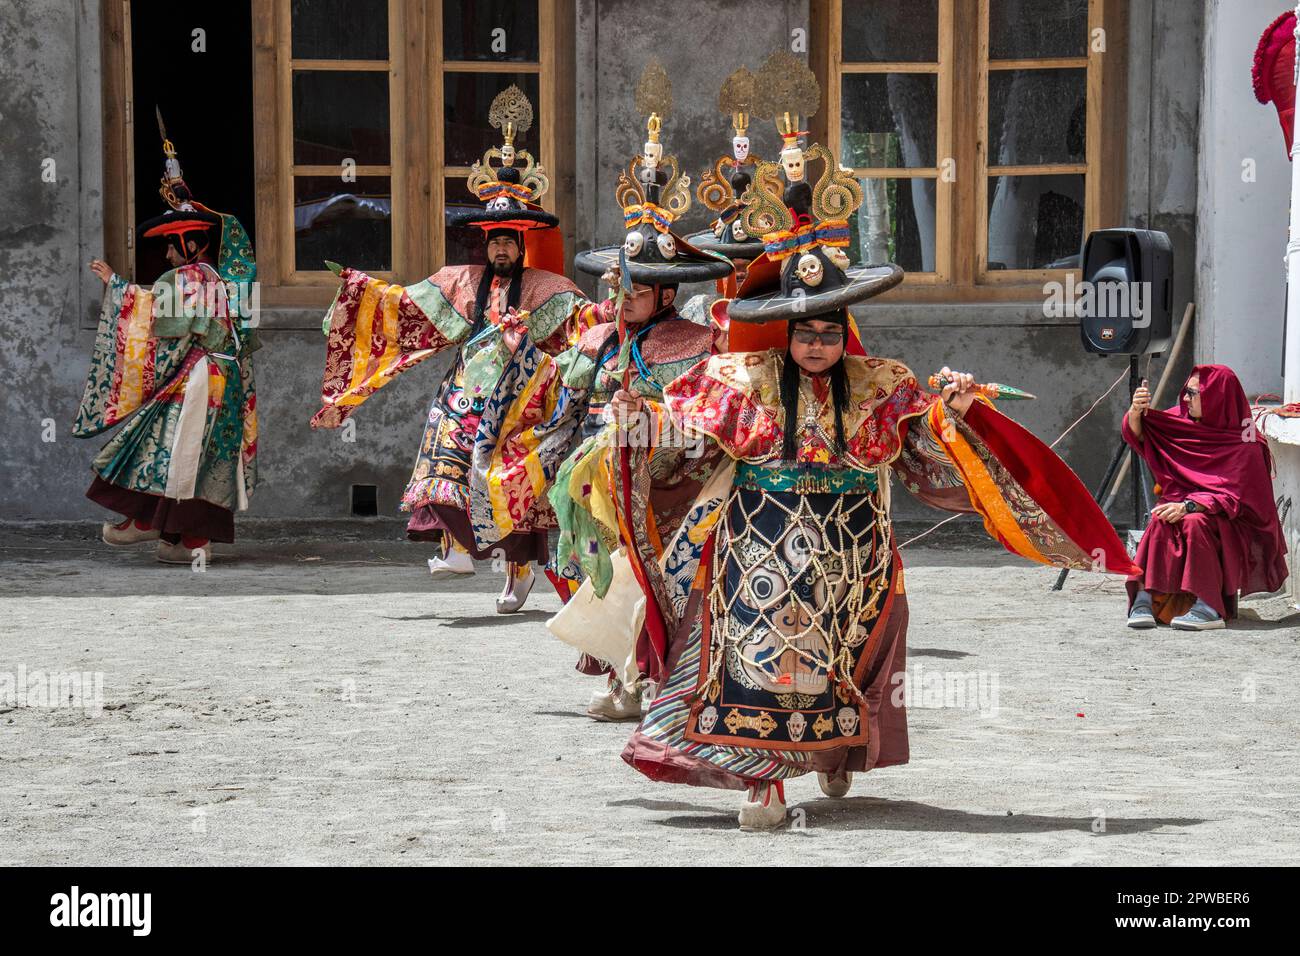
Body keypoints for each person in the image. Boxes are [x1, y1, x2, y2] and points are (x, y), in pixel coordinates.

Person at [551, 123, 1139, 829]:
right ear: (786, 333)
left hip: (852, 554)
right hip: (756, 547)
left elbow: (923, 450)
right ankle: (762, 785)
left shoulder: (880, 384)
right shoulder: (742, 379)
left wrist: (952, 411)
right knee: (756, 661)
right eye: (807, 333)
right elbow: (682, 441)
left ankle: (831, 756)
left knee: (839, 664)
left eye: (831, 331)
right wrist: (634, 422)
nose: (820, 344)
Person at [472, 62, 734, 720]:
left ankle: (655, 684)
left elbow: (702, 423)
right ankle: (623, 682)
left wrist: (646, 435)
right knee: (603, 579)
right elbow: (562, 413)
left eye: (639, 288)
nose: (625, 297)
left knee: (655, 585)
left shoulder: (694, 344)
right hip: (596, 488)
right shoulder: (590, 343)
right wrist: (538, 454)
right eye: (620, 285)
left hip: (667, 486)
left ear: (668, 293)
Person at [311, 86, 611, 613]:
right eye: (494, 239)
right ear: (485, 243)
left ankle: (517, 570)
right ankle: (455, 548)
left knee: (510, 479)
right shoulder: (461, 281)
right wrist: (361, 289)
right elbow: (407, 306)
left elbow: (585, 326)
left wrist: (612, 312)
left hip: (521, 402)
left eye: (509, 242)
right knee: (442, 456)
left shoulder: (548, 288)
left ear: (521, 246)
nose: (500, 248)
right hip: (464, 394)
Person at [75, 128, 258, 565]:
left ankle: (163, 529)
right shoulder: (236, 280)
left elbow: (159, 327)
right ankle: (178, 540)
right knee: (205, 455)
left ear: (190, 245)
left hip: (198, 377)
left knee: (171, 446)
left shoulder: (183, 280)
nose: (169, 256)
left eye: (173, 248)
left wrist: (117, 288)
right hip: (231, 376)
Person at [1123, 365, 1287, 630]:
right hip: (1183, 505)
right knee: (1161, 518)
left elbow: (1242, 499)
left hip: (1229, 521)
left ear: (1217, 397)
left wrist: (1190, 505)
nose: (1185, 398)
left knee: (1194, 522)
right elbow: (1141, 434)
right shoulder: (1181, 424)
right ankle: (1144, 598)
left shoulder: (1246, 443)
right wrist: (1135, 412)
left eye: (1192, 392)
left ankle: (1208, 606)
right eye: (1185, 391)